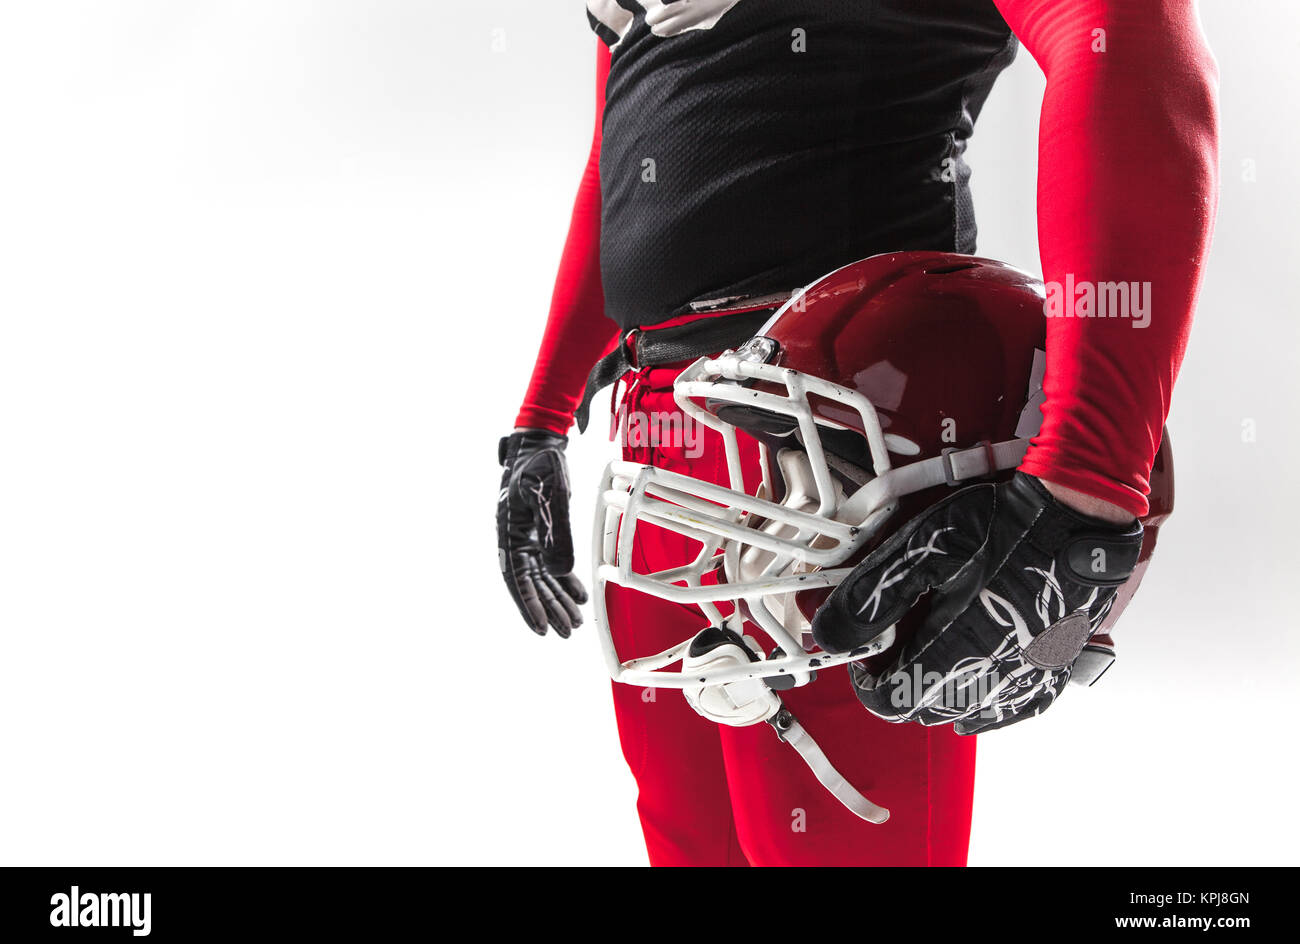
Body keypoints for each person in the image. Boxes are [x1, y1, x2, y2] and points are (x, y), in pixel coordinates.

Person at [497, 0, 1219, 866]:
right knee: (691, 843)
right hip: (658, 429)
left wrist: (1089, 474)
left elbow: (1131, 27)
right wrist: (539, 421)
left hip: (847, 427)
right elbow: (627, 147)